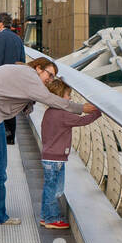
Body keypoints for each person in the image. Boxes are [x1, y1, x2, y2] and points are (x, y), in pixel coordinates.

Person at [0, 57, 82, 225]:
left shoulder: (20, 71)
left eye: (53, 77)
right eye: (50, 75)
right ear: (38, 68)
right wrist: (80, 108)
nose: (50, 79)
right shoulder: (31, 76)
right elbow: (50, 99)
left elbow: (20, 100)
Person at [38, 79, 100, 229]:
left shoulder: (49, 112)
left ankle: (45, 216)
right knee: (53, 190)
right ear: (59, 97)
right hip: (55, 159)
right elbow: (83, 120)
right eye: (68, 95)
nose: (70, 98)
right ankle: (52, 219)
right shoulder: (62, 114)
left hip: (49, 156)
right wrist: (98, 112)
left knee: (50, 188)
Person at [0, 13, 27, 144]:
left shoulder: (0, 37)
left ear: (1, 23)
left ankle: (3, 135)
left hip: (3, 78)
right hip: (16, 77)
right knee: (11, 107)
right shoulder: (17, 38)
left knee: (1, 106)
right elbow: (22, 59)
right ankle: (11, 136)